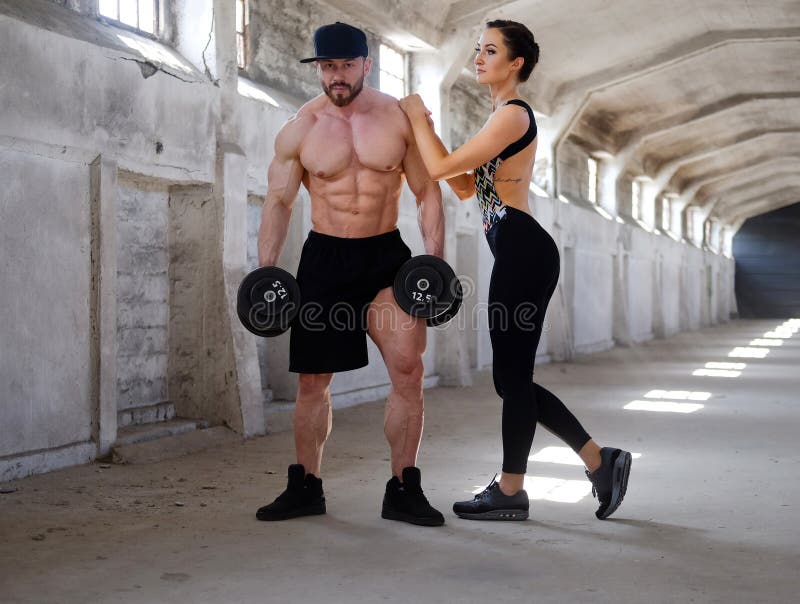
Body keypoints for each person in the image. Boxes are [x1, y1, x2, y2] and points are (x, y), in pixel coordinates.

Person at [399, 20, 631, 521]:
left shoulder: (512, 115)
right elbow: (464, 187)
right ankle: (597, 460)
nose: (478, 59)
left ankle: (513, 489)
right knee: (512, 380)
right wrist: (431, 133)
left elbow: (440, 171)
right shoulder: (497, 120)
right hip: (516, 249)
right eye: (478, 50)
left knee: (513, 378)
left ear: (515, 63)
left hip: (523, 250)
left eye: (490, 51)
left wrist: (416, 114)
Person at [255, 22, 446, 526]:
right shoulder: (301, 127)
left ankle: (404, 486)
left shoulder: (397, 120)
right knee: (313, 381)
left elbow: (428, 192)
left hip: (385, 258)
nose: (336, 77)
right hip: (324, 259)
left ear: (366, 63)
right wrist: (265, 274)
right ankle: (306, 486)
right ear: (318, 68)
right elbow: (278, 201)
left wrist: (435, 261)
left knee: (409, 368)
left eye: (345, 65)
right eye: (327, 67)